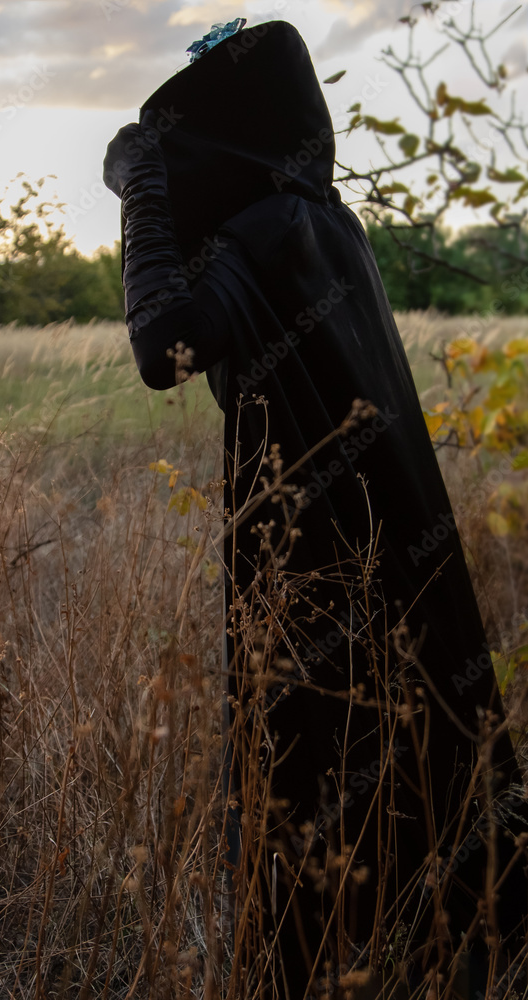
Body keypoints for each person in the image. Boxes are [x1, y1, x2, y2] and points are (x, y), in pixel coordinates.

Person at [103, 18, 528, 998]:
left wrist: (142, 185)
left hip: (315, 567)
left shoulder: (266, 232)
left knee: (314, 769)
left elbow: (161, 341)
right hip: (371, 555)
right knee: (400, 753)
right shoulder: (321, 221)